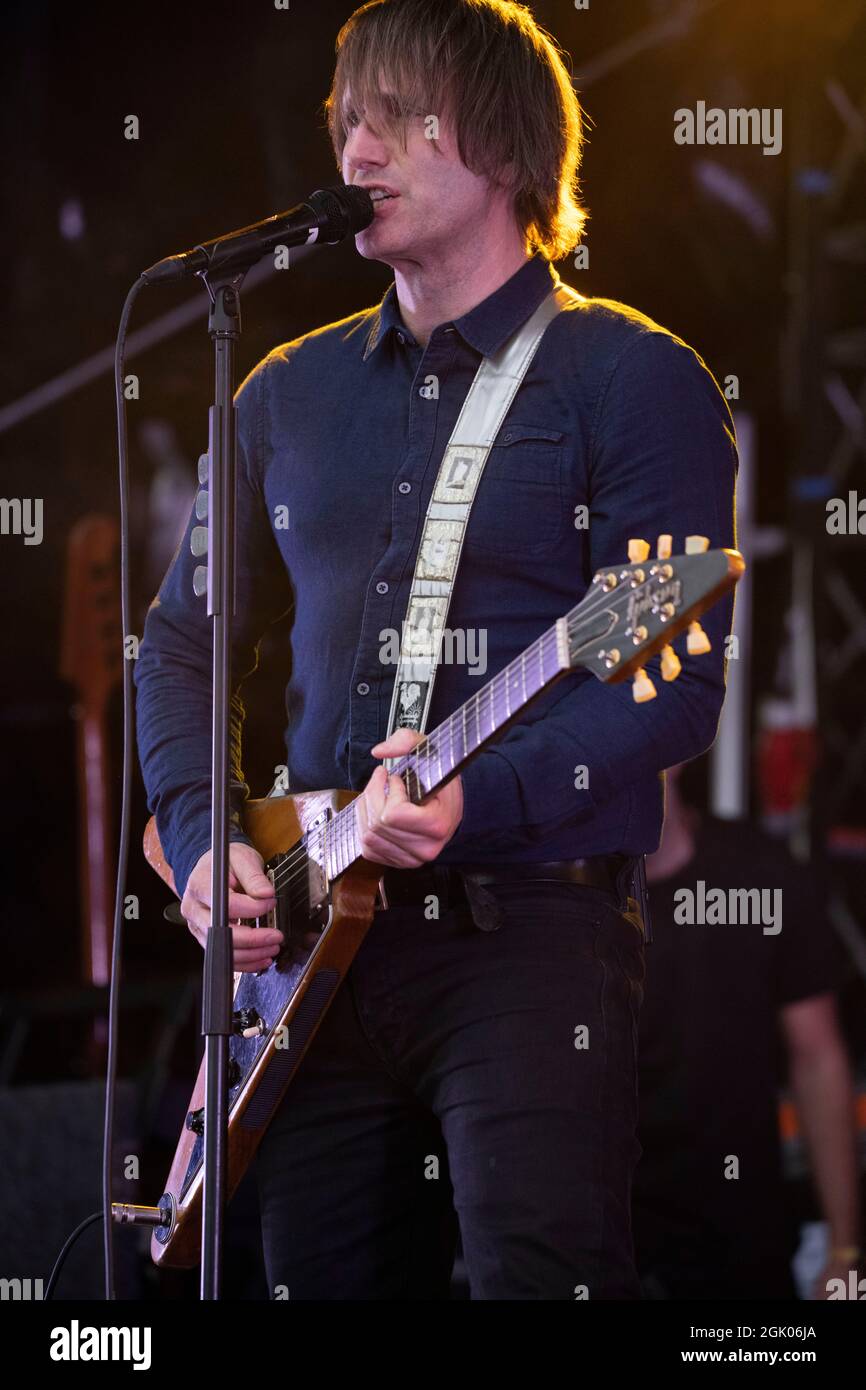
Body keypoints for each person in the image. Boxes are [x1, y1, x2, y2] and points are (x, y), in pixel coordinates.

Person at [135, 0, 737, 1300]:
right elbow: (180, 643)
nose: (355, 151)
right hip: (306, 956)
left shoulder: (630, 377)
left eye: (398, 118)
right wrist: (199, 844)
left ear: (508, 148)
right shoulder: (280, 390)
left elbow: (671, 680)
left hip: (525, 928)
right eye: (348, 117)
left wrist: (484, 792)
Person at [633, 762, 859, 1300]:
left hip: (738, 1240)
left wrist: (846, 1252)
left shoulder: (761, 873)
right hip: (595, 1243)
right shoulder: (549, 897)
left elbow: (819, 1060)